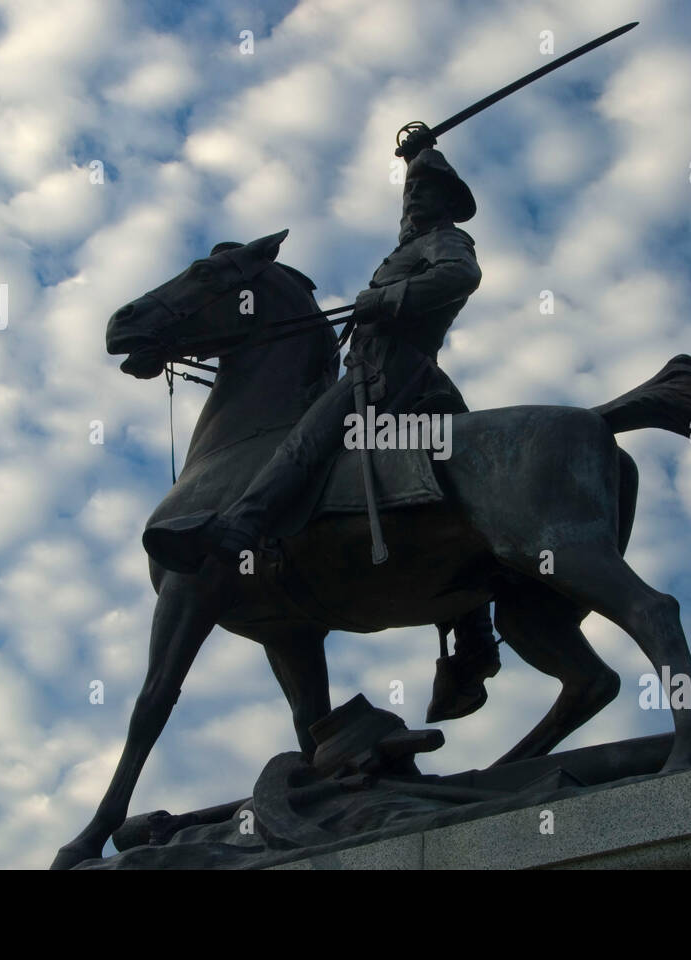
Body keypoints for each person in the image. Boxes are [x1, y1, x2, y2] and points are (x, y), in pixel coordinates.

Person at [150, 146, 500, 721]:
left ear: (443, 205)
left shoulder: (443, 240)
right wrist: (417, 154)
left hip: (393, 374)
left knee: (305, 441)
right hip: (387, 374)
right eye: (408, 195)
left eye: (422, 195)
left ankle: (240, 526)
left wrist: (384, 298)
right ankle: (475, 635)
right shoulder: (407, 244)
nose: (412, 204)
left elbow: (461, 275)